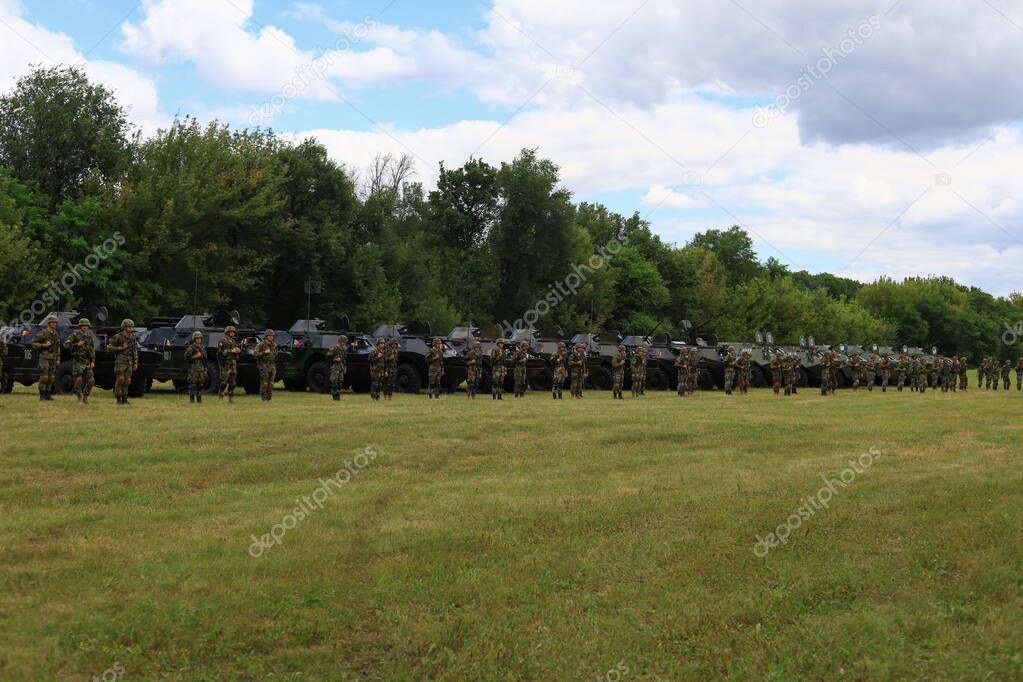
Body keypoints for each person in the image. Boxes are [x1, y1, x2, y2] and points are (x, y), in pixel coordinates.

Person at [108, 319, 140, 405]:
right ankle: (118, 399)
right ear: (124, 327)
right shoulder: (118, 336)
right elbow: (109, 347)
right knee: (120, 379)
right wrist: (120, 348)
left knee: (127, 380)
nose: (131, 328)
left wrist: (135, 362)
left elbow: (135, 351)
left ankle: (125, 399)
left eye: (132, 327)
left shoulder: (133, 337)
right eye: (129, 327)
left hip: (129, 361)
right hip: (120, 361)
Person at [64, 318, 96, 403]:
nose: (85, 327)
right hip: (78, 361)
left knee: (91, 380)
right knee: (79, 380)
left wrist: (93, 361)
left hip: (87, 362)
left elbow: (92, 350)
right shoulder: (75, 335)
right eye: (83, 325)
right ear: (80, 326)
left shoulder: (89, 336)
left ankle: (86, 396)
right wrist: (76, 344)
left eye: (86, 326)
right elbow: (66, 345)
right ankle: (79, 396)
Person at [31, 314, 61, 401]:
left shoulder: (56, 334)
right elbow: (33, 343)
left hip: (53, 358)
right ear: (49, 323)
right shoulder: (43, 333)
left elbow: (58, 347)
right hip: (44, 357)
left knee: (51, 378)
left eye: (55, 322)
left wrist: (58, 358)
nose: (54, 324)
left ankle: (48, 394)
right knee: (44, 377)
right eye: (53, 322)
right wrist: (44, 345)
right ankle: (42, 395)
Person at [253, 329, 278, 401]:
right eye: (269, 336)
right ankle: (263, 398)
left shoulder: (274, 345)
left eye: (272, 336)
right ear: (266, 336)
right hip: (263, 366)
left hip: (272, 366)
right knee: (264, 383)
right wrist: (264, 353)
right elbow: (255, 354)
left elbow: (276, 355)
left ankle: (269, 399)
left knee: (271, 383)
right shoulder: (261, 344)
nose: (271, 337)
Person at [184, 331, 207, 403]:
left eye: (200, 338)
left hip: (201, 369)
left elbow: (205, 360)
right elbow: (186, 359)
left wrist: (205, 369)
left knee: (200, 385)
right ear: (194, 339)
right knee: (193, 385)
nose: (199, 340)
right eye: (197, 338)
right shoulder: (191, 348)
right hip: (193, 369)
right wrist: (195, 356)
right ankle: (192, 400)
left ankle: (199, 400)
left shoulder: (203, 348)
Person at [327, 336, 348, 401]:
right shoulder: (334, 348)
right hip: (335, 367)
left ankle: (338, 395)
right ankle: (335, 396)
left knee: (340, 382)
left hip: (341, 367)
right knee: (334, 381)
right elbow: (328, 357)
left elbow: (344, 359)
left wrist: (344, 367)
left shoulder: (343, 349)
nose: (344, 343)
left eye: (345, 342)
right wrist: (335, 359)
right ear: (340, 341)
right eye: (344, 342)